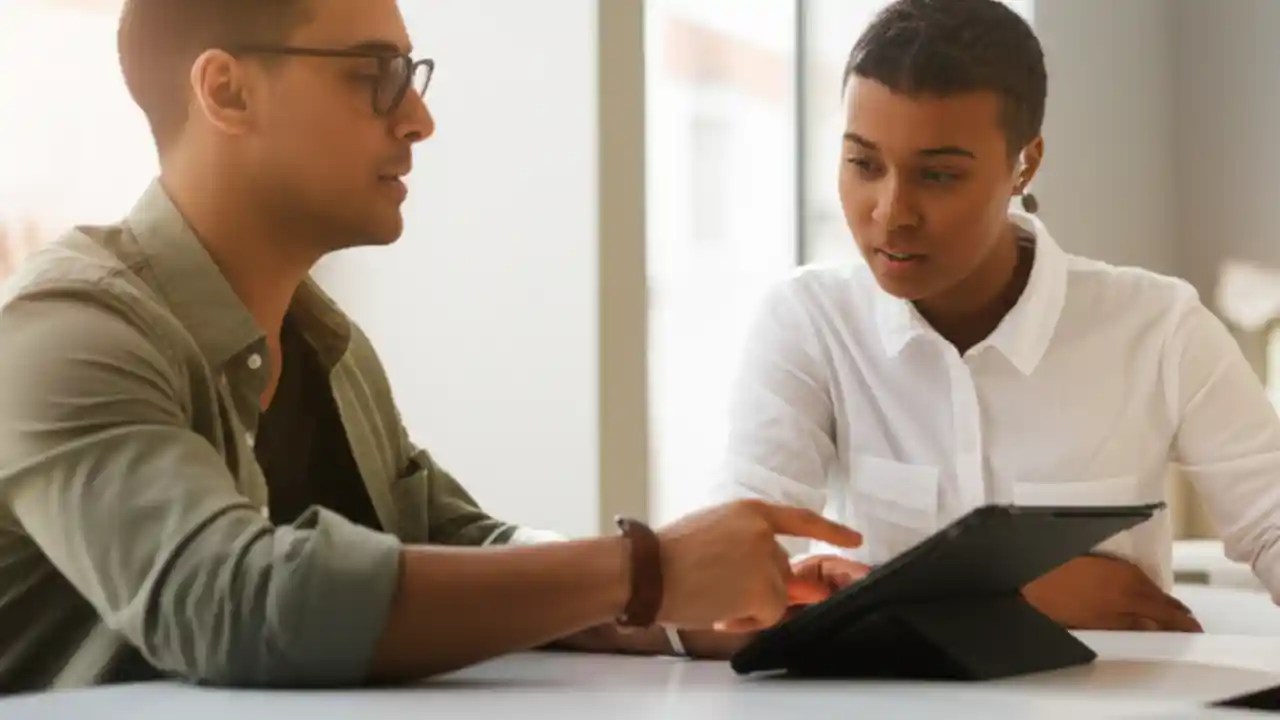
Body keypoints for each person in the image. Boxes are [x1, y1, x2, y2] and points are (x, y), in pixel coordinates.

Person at [0, 0, 868, 692]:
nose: (419, 119)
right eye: (377, 76)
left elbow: (467, 546)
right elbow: (230, 601)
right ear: (227, 91)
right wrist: (644, 571)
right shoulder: (67, 332)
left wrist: (686, 610)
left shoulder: (328, 346)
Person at [716, 0, 1280, 633]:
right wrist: (1003, 601)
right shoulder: (810, 323)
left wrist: (873, 594)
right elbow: (728, 590)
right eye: (864, 165)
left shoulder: (1160, 328)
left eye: (938, 174)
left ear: (1025, 164)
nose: (891, 212)